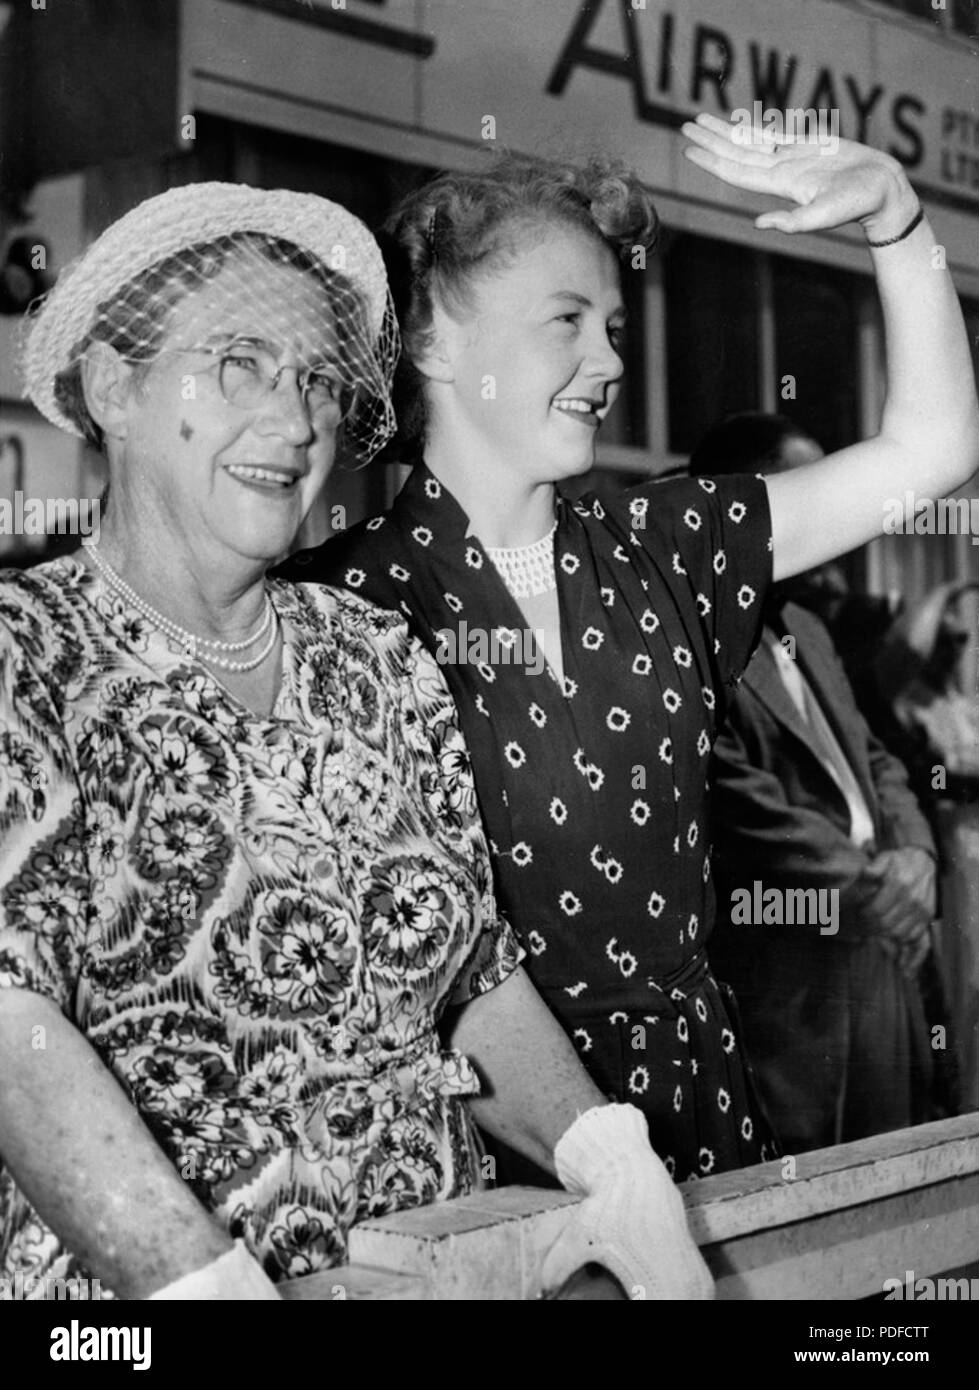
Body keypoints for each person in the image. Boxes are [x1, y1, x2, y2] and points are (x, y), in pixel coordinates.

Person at [0, 183, 714, 1302]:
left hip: (444, 1266)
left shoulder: (376, 653)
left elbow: (470, 974)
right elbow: (11, 1030)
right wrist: (197, 1283)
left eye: (319, 381)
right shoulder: (27, 653)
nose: (294, 425)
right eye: (240, 363)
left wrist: (605, 1159)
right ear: (114, 386)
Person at [282, 114, 979, 1182]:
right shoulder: (341, 606)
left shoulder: (670, 543)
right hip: (475, 1139)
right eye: (565, 319)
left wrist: (898, 220)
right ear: (433, 341)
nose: (609, 360)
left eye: (612, 323)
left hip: (697, 1103)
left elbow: (929, 449)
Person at [690, 413, 954, 1152]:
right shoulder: (691, 637)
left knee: (903, 1194)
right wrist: (881, 892)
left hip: (880, 950)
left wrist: (918, 857)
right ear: (740, 503)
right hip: (795, 984)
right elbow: (745, 812)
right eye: (806, 486)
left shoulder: (805, 624)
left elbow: (876, 762)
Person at [877, 582, 979, 1108]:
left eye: (962, 642)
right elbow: (928, 778)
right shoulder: (908, 706)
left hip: (976, 844)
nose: (954, 652)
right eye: (946, 641)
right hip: (952, 850)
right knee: (964, 977)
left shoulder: (958, 701)